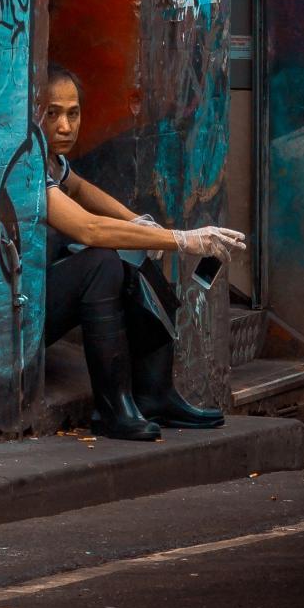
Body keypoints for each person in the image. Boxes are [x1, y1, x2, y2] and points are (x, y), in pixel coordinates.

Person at [41, 62, 246, 442]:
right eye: (52, 114)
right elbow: (88, 228)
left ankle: (155, 394)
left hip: (42, 294)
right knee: (102, 262)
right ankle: (113, 409)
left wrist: (139, 225)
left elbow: (81, 189)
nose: (65, 126)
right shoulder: (26, 163)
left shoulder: (54, 160)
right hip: (17, 321)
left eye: (73, 113)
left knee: (134, 252)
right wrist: (178, 239)